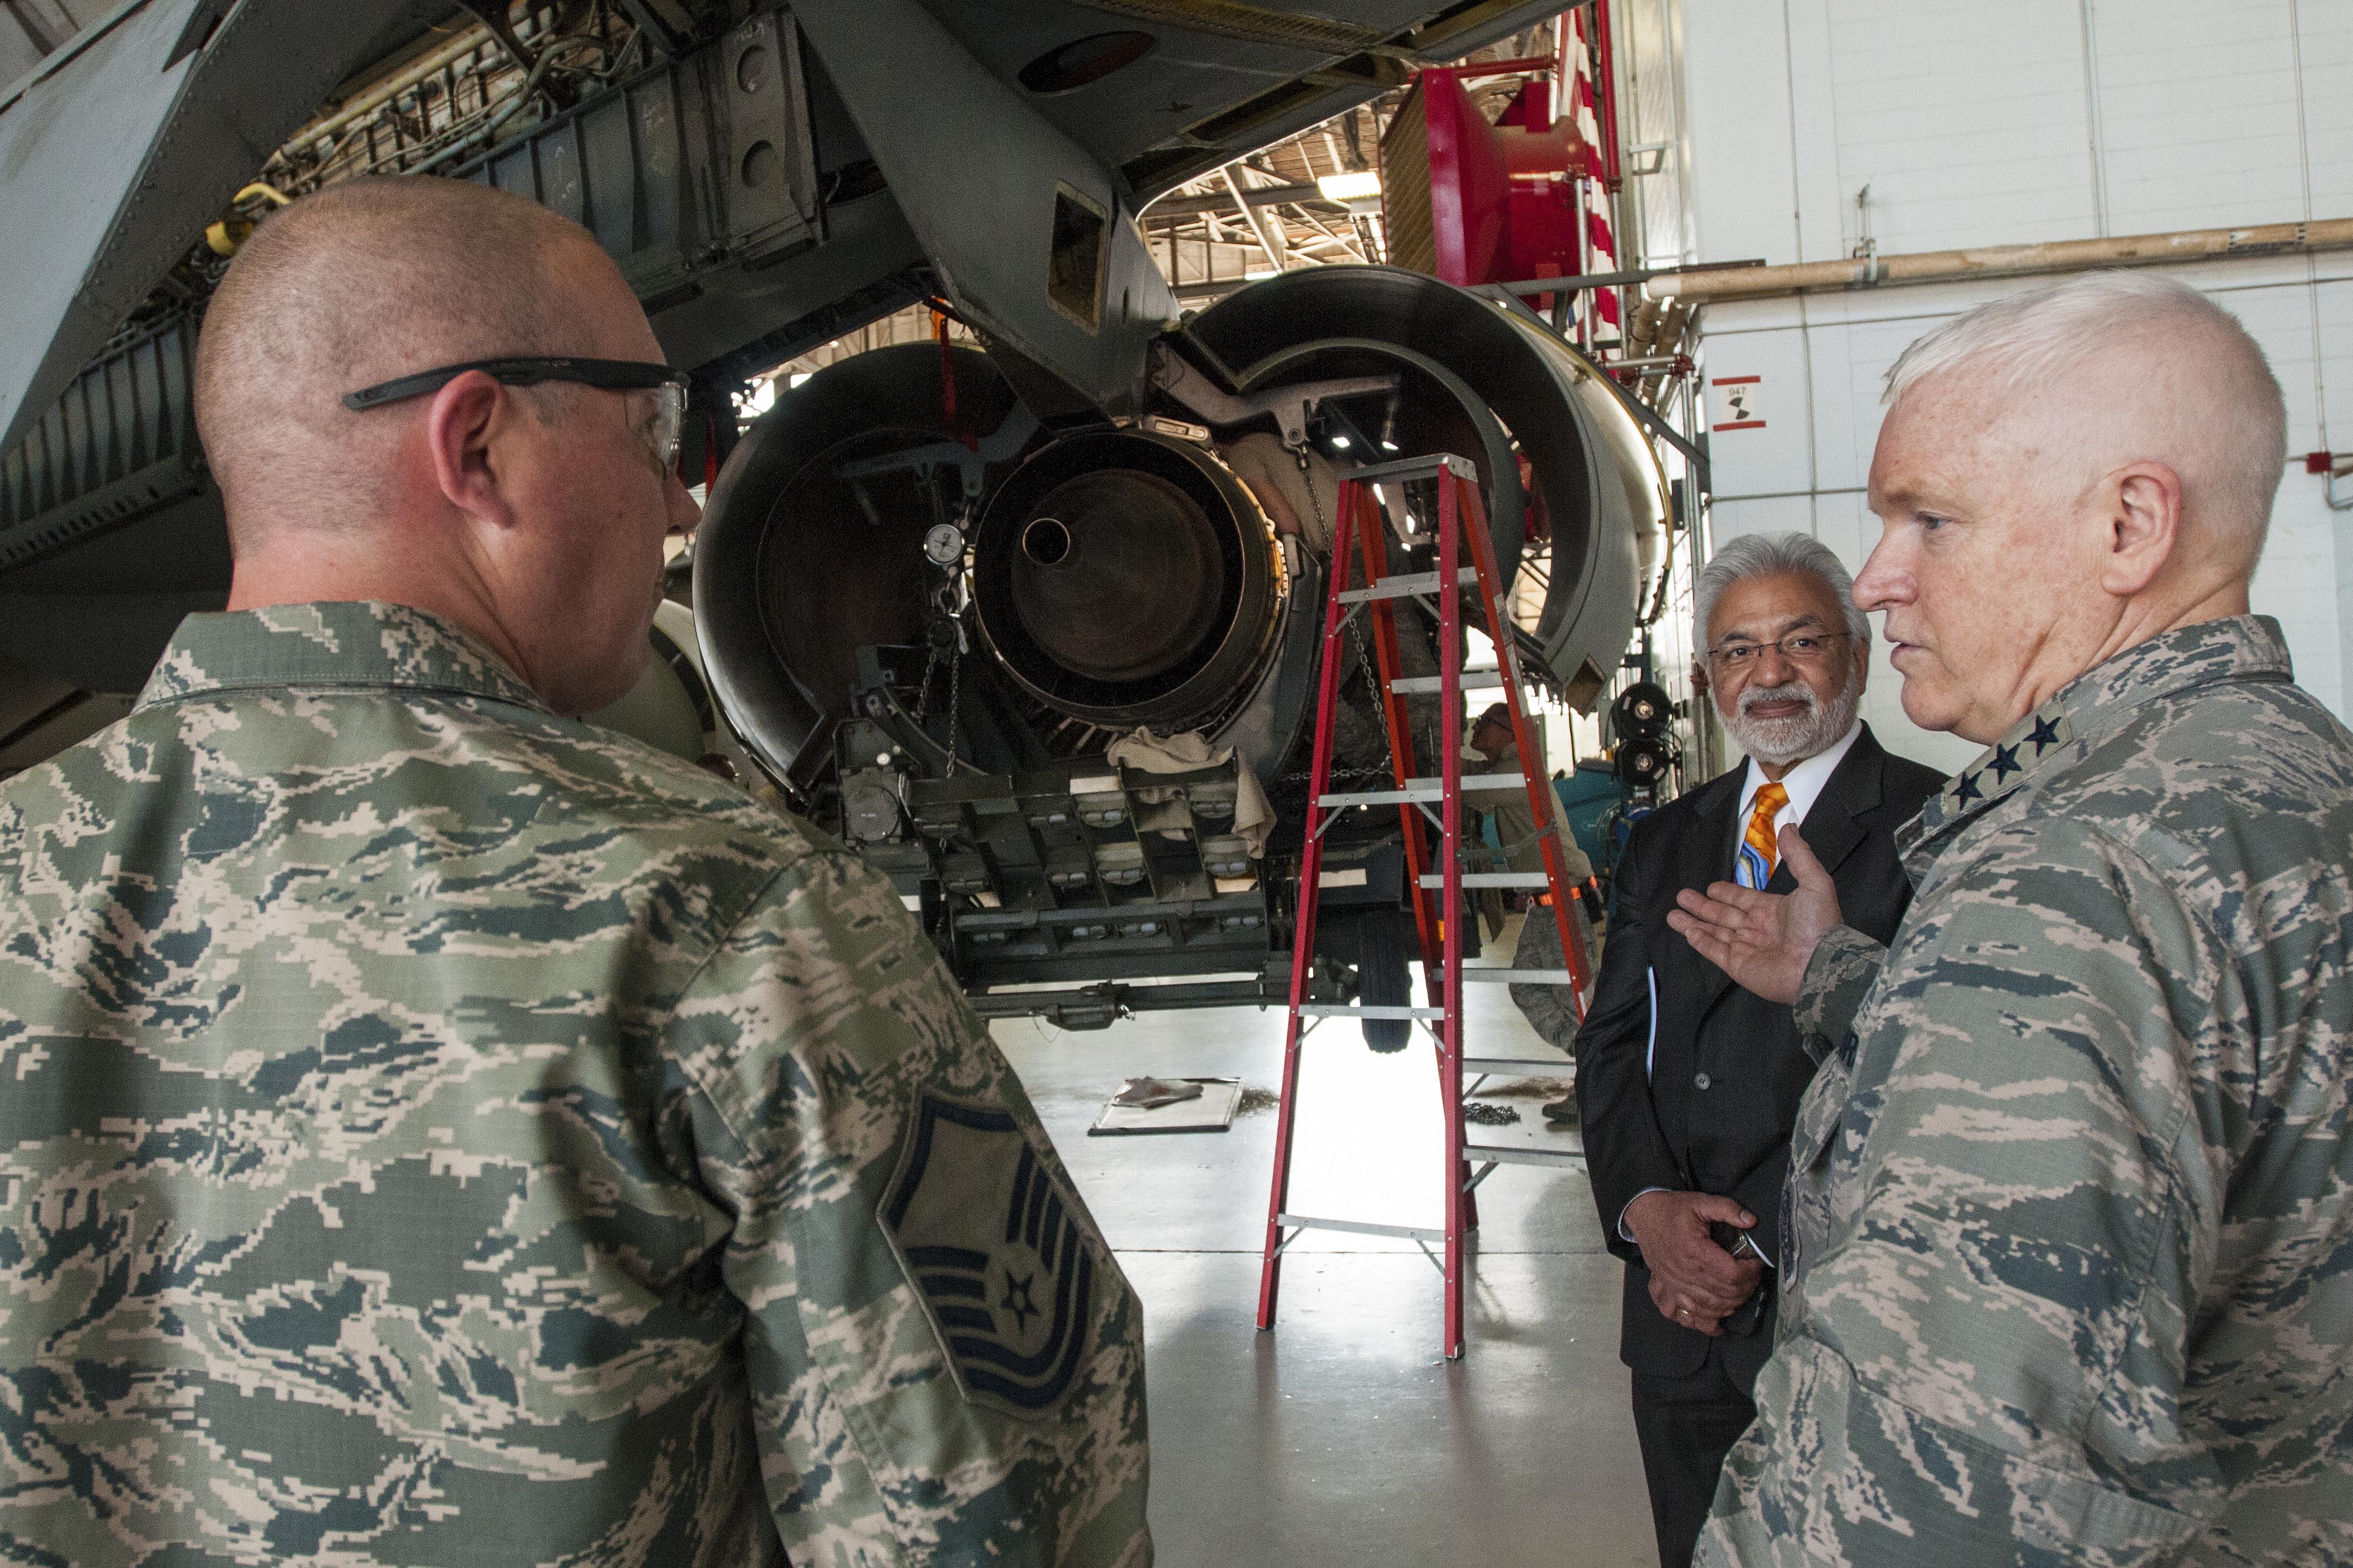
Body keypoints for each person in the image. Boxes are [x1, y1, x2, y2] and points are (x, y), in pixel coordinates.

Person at [0, 176, 1151, 1567]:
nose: (678, 498)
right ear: (476, 443)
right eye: (653, 425)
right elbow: (988, 1517)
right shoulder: (728, 918)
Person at [1669, 272, 2353, 1565]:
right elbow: (2222, 1079)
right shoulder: (2285, 774)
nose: (1877, 582)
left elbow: (1938, 1491)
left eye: (1930, 520)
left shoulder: (2070, 873)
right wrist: (1845, 984)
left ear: (2129, 527)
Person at [1573, 533, 1944, 1568]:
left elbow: (1931, 1078)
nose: (1769, 674)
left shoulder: (1935, 829)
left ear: (1855, 657)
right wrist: (1647, 1212)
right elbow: (1611, 1050)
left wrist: (1751, 1245)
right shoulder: (1664, 840)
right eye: (1738, 651)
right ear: (1703, 679)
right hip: (1673, 1313)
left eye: (1799, 641)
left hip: (1845, 1314)